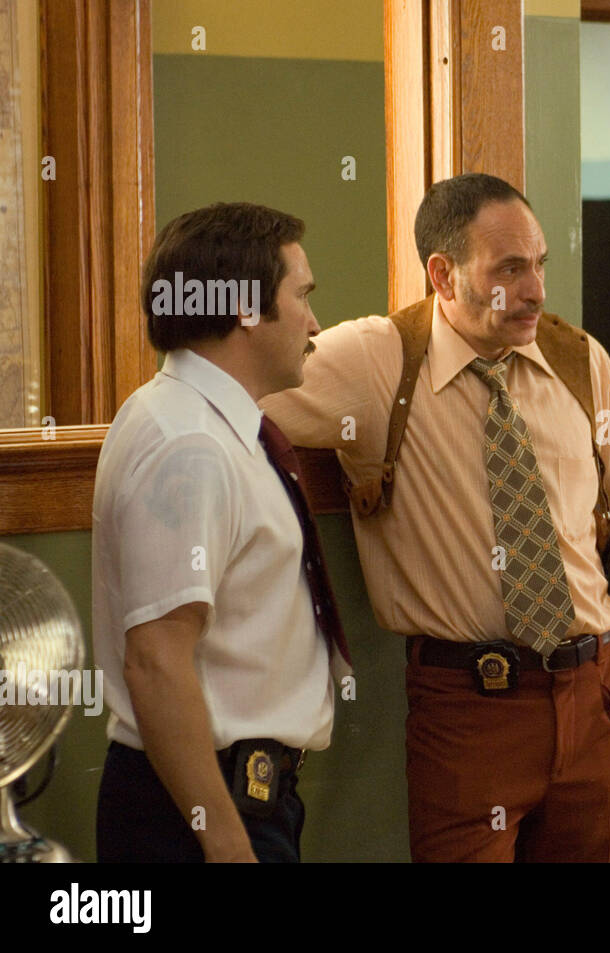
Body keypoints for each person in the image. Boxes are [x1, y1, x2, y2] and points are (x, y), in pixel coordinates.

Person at [260, 173, 610, 862]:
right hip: (468, 709)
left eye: (539, 264)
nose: (536, 290)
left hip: (597, 695)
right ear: (443, 274)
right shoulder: (378, 361)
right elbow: (234, 392)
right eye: (510, 270)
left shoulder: (577, 358)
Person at [93, 203, 349, 863]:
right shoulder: (188, 444)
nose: (315, 324)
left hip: (238, 796)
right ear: (243, 308)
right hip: (197, 812)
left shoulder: (203, 421)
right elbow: (156, 661)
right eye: (302, 297)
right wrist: (229, 843)